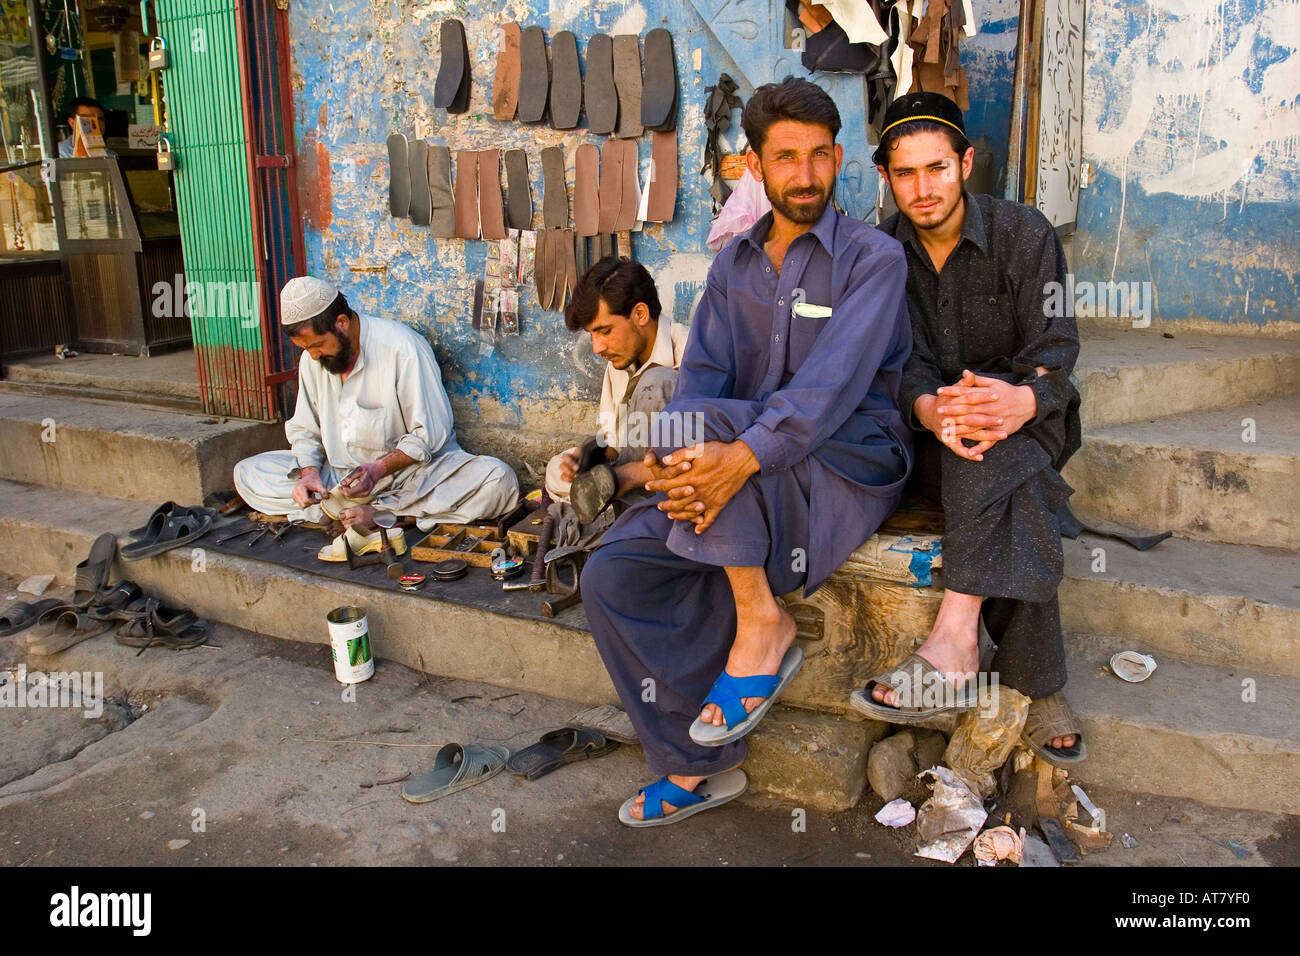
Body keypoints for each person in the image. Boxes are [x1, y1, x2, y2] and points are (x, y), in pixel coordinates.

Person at [581, 77, 913, 824]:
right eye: (787, 157)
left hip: (845, 460)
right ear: (756, 167)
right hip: (742, 465)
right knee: (612, 574)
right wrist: (684, 460)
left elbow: (827, 393)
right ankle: (696, 764)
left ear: (838, 161)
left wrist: (730, 453)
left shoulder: (872, 259)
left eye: (821, 156)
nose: (806, 175)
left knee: (722, 441)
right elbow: (700, 383)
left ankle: (763, 623)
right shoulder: (732, 267)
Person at [856, 92, 1085, 765]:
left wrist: (1019, 399)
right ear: (888, 178)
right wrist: (931, 409)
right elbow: (893, 362)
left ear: (966, 161)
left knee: (997, 452)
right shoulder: (878, 253)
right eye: (905, 174)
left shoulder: (1025, 234)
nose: (922, 190)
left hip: (1029, 417)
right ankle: (1038, 687)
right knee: (1003, 473)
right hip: (930, 433)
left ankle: (953, 637)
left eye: (936, 168)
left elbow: (1057, 348)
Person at [233, 277, 519, 549]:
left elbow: (429, 435)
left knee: (498, 479)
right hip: (339, 481)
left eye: (318, 345)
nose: (314, 356)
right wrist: (309, 475)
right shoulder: (313, 360)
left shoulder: (402, 348)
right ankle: (343, 512)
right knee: (248, 473)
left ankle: (384, 515)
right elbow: (306, 430)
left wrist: (378, 469)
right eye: (306, 349)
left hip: (410, 479)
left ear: (341, 323)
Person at [545, 256, 688, 525]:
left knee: (655, 382)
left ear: (640, 314)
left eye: (605, 331)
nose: (597, 347)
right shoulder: (618, 364)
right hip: (630, 485)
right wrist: (587, 457)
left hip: (678, 491)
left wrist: (626, 476)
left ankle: (628, 519)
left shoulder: (692, 354)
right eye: (592, 335)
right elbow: (617, 444)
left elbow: (700, 457)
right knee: (555, 470)